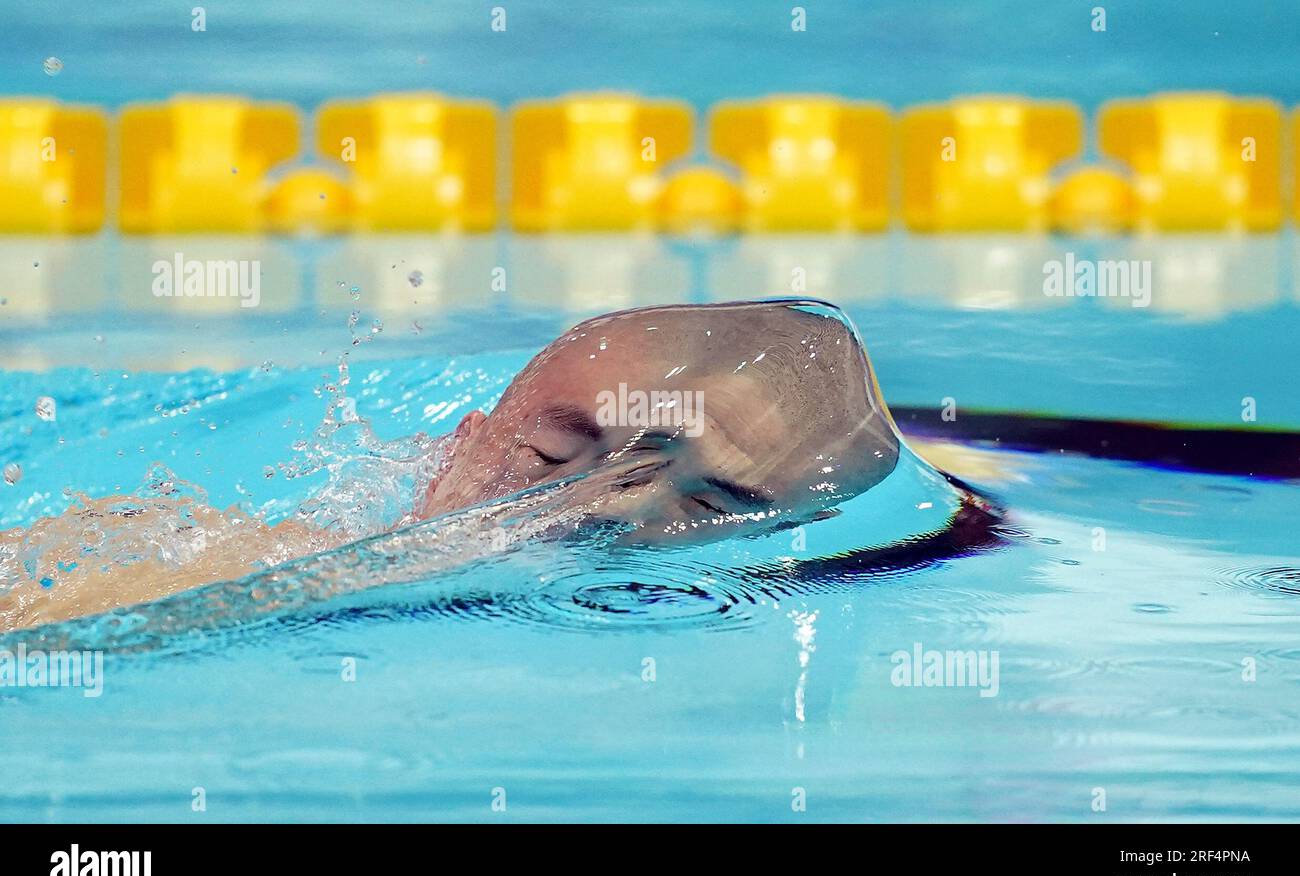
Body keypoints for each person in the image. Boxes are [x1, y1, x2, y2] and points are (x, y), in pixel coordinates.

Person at [1, 299, 902, 630]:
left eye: (706, 505)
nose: (606, 505)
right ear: (453, 445)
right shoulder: (220, 559)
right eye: (550, 451)